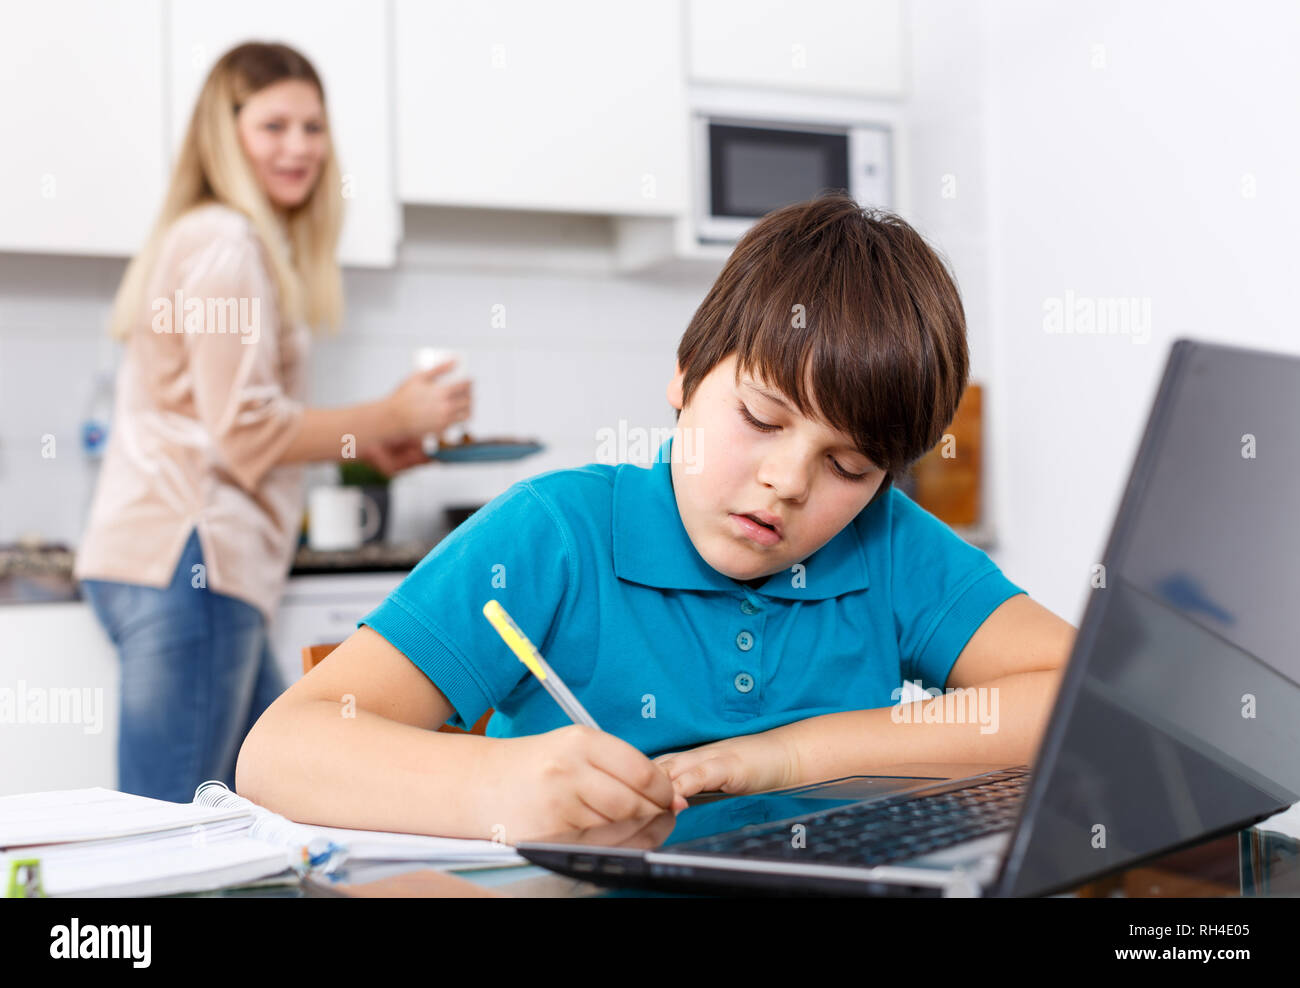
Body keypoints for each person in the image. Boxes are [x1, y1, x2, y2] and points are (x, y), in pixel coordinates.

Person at [236, 192, 1076, 844]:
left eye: (848, 466)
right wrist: (497, 786)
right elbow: (281, 752)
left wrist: (788, 755)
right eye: (761, 419)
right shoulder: (557, 533)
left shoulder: (885, 541)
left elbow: (1081, 698)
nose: (786, 481)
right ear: (685, 375)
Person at [74, 42, 471, 803]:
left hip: (176, 562)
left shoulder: (211, 236)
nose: (299, 148)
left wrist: (370, 446)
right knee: (174, 822)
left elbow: (231, 426)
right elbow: (245, 431)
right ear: (227, 133)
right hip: (192, 563)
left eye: (313, 128)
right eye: (275, 126)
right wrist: (391, 411)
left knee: (266, 806)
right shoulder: (228, 245)